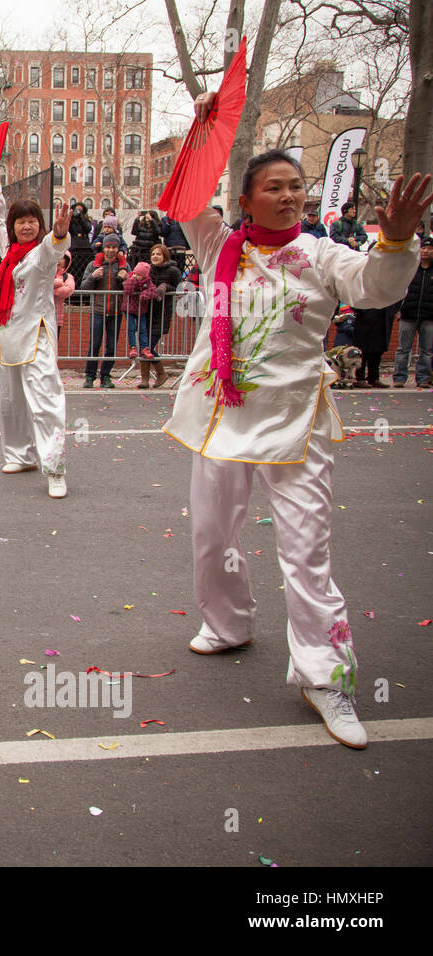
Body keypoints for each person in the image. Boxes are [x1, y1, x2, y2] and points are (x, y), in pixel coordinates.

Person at [164, 112, 431, 748]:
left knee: (306, 550)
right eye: (276, 186)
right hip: (222, 418)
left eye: (298, 185)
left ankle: (324, 675)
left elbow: (373, 288)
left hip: (295, 423)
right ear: (247, 197)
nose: (291, 195)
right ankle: (228, 624)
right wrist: (203, 134)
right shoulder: (217, 245)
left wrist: (395, 242)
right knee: (212, 534)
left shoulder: (321, 253)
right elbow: (182, 196)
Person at [0, 169, 73, 498]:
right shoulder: (8, 251)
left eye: (32, 220)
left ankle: (55, 469)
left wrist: (60, 235)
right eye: (20, 220)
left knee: (46, 402)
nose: (26, 225)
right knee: (11, 402)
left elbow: (55, 248)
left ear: (40, 225)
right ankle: (21, 455)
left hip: (38, 336)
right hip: (7, 334)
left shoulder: (42, 253)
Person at [81, 233, 128, 388]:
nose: (111, 250)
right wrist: (93, 277)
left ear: (118, 248)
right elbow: (84, 288)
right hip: (98, 311)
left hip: (115, 312)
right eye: (108, 246)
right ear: (103, 247)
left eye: (114, 247)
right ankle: (89, 376)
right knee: (94, 344)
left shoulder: (124, 265)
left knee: (111, 346)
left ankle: (105, 376)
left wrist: (126, 279)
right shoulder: (93, 265)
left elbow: (131, 288)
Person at [393, 235, 433, 388]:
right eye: (423, 248)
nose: (426, 251)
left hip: (429, 316)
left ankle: (423, 378)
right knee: (403, 348)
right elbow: (398, 288)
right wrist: (398, 309)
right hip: (408, 314)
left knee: (427, 350)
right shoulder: (410, 268)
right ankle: (399, 378)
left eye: (430, 248)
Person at [141, 243, 183, 388]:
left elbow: (180, 287)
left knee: (148, 346)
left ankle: (161, 373)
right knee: (143, 346)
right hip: (146, 311)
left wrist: (166, 287)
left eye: (158, 254)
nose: (155, 256)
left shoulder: (173, 271)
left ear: (164, 256)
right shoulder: (148, 270)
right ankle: (145, 380)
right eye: (153, 254)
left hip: (162, 313)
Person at [351, 302, 399, 387]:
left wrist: (392, 310)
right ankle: (360, 378)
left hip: (383, 318)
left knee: (377, 350)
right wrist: (363, 310)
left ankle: (373, 378)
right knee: (363, 350)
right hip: (365, 318)